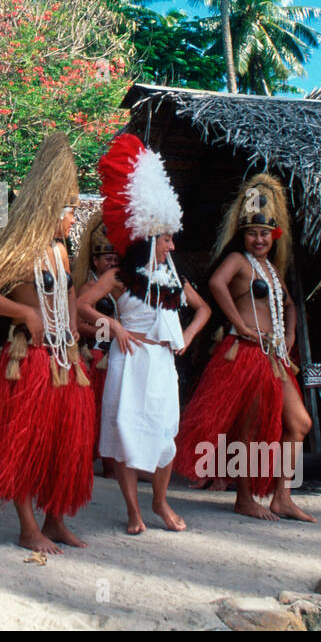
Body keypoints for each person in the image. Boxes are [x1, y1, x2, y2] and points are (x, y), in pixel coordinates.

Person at [0, 134, 94, 554]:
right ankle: (27, 526)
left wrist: (72, 333)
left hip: (64, 359)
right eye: (70, 212)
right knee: (26, 440)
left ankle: (55, 520)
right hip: (28, 361)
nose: (73, 220)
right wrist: (25, 314)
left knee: (65, 443)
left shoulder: (61, 252)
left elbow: (69, 294)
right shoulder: (18, 249)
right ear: (52, 209)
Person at [78, 133, 211, 534]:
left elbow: (204, 308)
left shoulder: (174, 277)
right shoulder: (120, 277)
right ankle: (133, 511)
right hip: (129, 360)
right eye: (167, 238)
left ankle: (159, 502)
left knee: (165, 431)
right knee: (124, 434)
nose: (172, 245)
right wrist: (113, 325)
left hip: (162, 361)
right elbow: (80, 306)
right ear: (151, 236)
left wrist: (186, 336)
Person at [172, 174, 315, 522]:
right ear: (243, 234)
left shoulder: (271, 268)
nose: (259, 238)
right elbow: (216, 284)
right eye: (252, 232)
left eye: (264, 233)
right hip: (246, 353)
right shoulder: (238, 260)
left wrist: (291, 335)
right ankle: (245, 497)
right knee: (252, 426)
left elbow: (292, 305)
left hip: (275, 357)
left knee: (299, 423)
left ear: (274, 235)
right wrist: (240, 323)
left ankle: (282, 497)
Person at [73, 213, 120, 478]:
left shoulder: (119, 286)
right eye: (107, 259)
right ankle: (86, 459)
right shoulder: (88, 286)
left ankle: (111, 462)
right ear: (95, 260)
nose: (112, 263)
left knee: (112, 409)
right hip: (95, 354)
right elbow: (78, 324)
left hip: (116, 353)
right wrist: (108, 331)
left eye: (115, 259)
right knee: (93, 410)